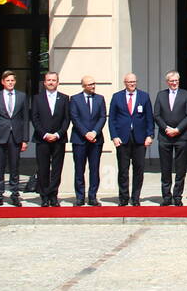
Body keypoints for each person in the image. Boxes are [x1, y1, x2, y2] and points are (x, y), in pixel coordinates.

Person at [0, 70, 29, 207]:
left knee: (14, 167)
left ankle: (15, 194)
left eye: (12, 80)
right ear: (2, 82)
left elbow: (25, 118)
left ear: (15, 82)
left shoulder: (22, 96)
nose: (10, 83)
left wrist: (25, 139)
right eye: (8, 80)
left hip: (15, 136)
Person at [109, 73, 151, 206]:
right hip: (122, 139)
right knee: (123, 170)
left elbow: (149, 118)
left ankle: (136, 197)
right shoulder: (117, 97)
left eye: (134, 81)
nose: (132, 84)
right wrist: (114, 136)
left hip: (140, 139)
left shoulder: (144, 96)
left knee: (139, 170)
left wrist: (149, 135)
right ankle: (123, 198)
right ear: (124, 83)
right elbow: (112, 119)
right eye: (129, 82)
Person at [154, 70, 187, 206]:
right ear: (167, 82)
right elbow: (157, 115)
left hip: (181, 136)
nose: (174, 83)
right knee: (165, 168)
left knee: (180, 168)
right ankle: (166, 197)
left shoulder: (186, 94)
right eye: (172, 81)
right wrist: (166, 128)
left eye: (176, 80)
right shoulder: (161, 95)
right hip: (165, 137)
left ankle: (177, 196)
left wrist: (177, 130)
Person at [32, 72, 70, 207]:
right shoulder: (37, 98)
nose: (51, 82)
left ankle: (53, 195)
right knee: (43, 169)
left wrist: (58, 134)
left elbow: (67, 119)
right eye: (49, 80)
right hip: (42, 139)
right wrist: (44, 134)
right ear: (44, 82)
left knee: (57, 169)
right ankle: (44, 196)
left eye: (54, 80)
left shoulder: (64, 98)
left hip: (59, 139)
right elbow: (34, 118)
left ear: (58, 82)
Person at [67, 76, 106, 207]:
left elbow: (102, 117)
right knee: (79, 169)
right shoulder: (75, 99)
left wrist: (94, 132)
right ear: (83, 86)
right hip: (79, 139)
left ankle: (92, 196)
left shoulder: (100, 99)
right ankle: (80, 197)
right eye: (89, 84)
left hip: (96, 139)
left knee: (94, 169)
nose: (93, 86)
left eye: (94, 83)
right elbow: (74, 118)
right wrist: (85, 133)